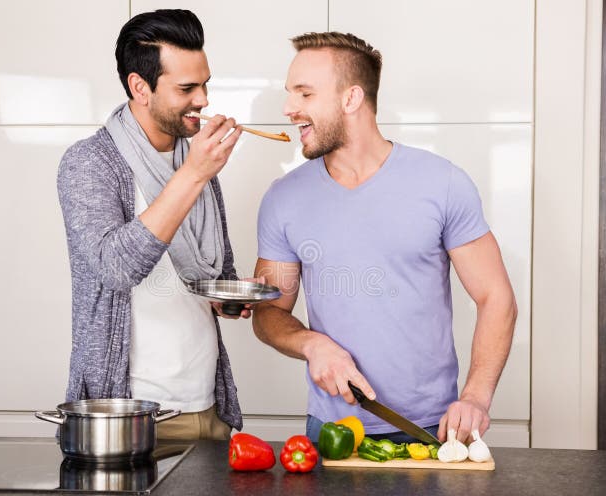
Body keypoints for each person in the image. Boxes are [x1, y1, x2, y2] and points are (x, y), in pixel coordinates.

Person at [252, 32, 517, 444]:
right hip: (334, 430)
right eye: (290, 94)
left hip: (432, 429)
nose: (288, 108)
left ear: (351, 98)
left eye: (304, 94)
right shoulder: (282, 199)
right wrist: (311, 344)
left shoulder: (443, 183)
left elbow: (496, 297)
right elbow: (269, 311)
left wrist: (476, 398)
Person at [57, 9, 249, 440]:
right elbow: (115, 269)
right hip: (128, 414)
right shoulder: (89, 163)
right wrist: (194, 174)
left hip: (207, 404)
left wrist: (231, 297)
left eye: (205, 84)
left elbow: (215, 273)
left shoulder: (195, 160)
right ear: (140, 87)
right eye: (186, 88)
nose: (203, 99)